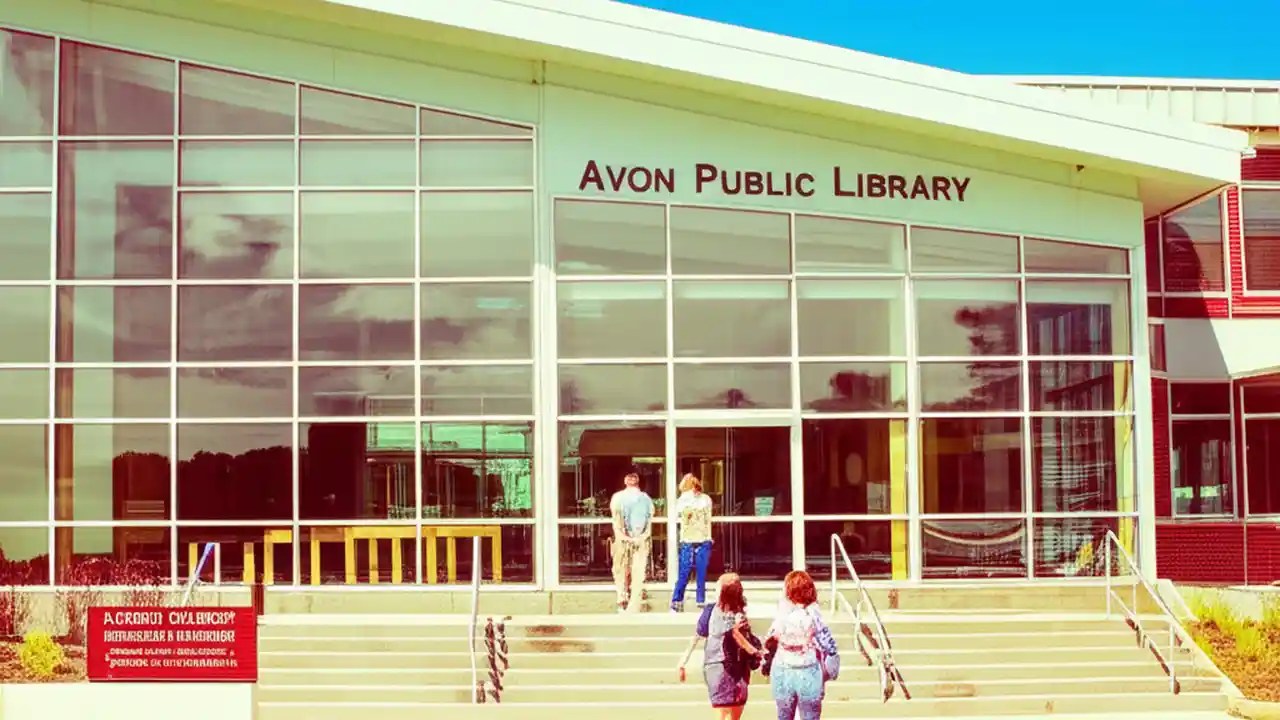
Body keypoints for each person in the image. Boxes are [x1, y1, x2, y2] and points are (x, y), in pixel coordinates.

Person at [677, 573, 763, 720]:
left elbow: (697, 636)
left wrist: (682, 662)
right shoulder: (735, 614)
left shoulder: (716, 611)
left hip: (718, 666)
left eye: (718, 585)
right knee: (731, 715)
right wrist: (758, 654)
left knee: (722, 715)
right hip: (732, 668)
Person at [767, 570, 840, 720]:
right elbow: (829, 645)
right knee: (810, 715)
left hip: (782, 670)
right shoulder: (813, 614)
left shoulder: (782, 613)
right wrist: (830, 670)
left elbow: (770, 639)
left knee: (784, 715)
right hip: (808, 671)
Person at [609, 470, 654, 613]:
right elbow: (616, 520)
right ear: (624, 480)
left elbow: (649, 521)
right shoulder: (618, 498)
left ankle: (634, 600)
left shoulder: (645, 498)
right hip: (623, 540)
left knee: (638, 570)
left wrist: (641, 537)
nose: (632, 479)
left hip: (640, 541)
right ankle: (622, 598)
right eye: (629, 476)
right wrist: (624, 537)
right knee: (622, 569)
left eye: (634, 476)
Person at [671, 472, 714, 612]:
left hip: (703, 540)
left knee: (701, 572)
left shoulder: (705, 499)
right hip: (688, 540)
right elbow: (680, 513)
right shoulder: (682, 500)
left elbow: (708, 519)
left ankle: (700, 599)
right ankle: (677, 599)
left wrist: (709, 536)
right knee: (684, 571)